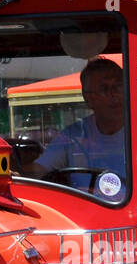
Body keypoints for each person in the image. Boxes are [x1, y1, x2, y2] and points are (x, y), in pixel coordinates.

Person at [38, 58, 127, 199]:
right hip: (85, 214)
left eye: (118, 87)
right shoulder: (73, 136)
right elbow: (39, 169)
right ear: (88, 98)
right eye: (104, 89)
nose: (114, 95)